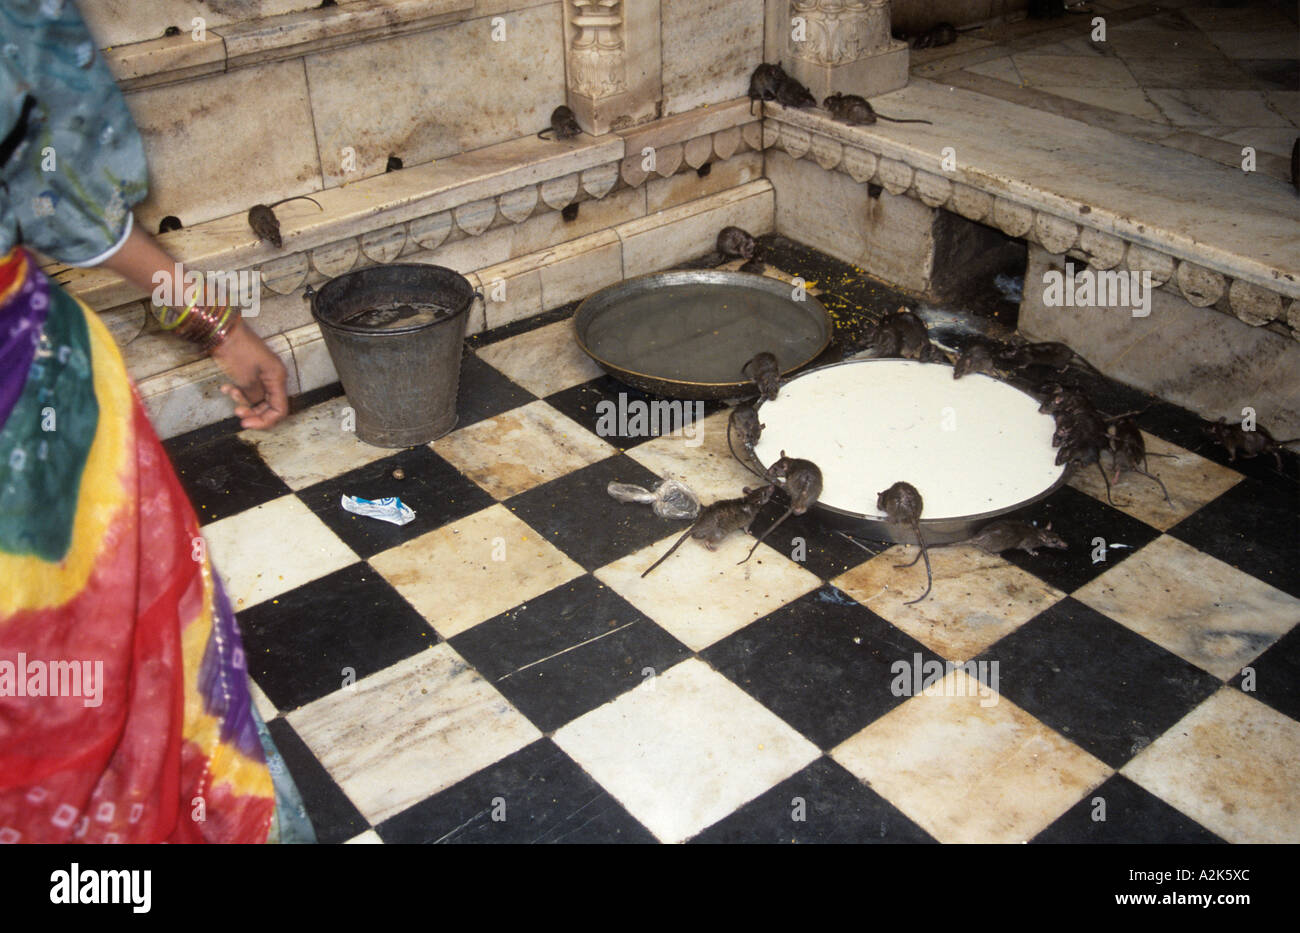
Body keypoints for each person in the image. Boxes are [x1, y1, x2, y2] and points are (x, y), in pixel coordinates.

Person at [0, 0, 314, 842]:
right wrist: (225, 330)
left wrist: (221, 326)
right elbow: (69, 196)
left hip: (37, 436)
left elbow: (67, 202)